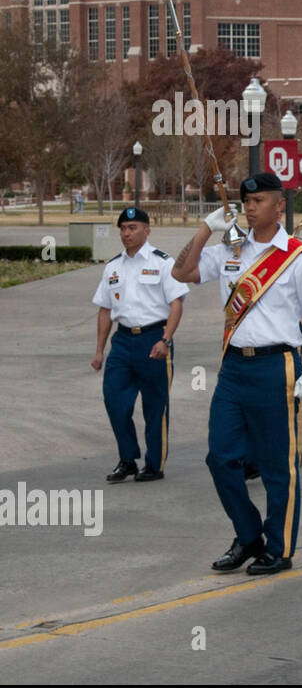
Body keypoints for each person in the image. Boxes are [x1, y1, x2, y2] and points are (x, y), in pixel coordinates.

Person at [171, 173, 302, 576]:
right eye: (246, 200)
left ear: (279, 206)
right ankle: (248, 536)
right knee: (220, 457)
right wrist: (205, 229)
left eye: (258, 200)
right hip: (233, 367)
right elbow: (181, 272)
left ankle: (278, 549)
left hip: (276, 366)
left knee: (279, 465)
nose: (249, 206)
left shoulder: (299, 256)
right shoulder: (231, 249)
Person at [91, 207, 188, 483]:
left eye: (133, 228)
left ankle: (154, 465)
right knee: (115, 401)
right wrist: (99, 350)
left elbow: (176, 304)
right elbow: (104, 310)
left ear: (147, 229)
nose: (126, 233)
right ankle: (127, 459)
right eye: (122, 228)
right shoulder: (113, 266)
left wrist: (166, 339)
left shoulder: (163, 263)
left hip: (153, 339)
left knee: (155, 406)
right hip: (122, 342)